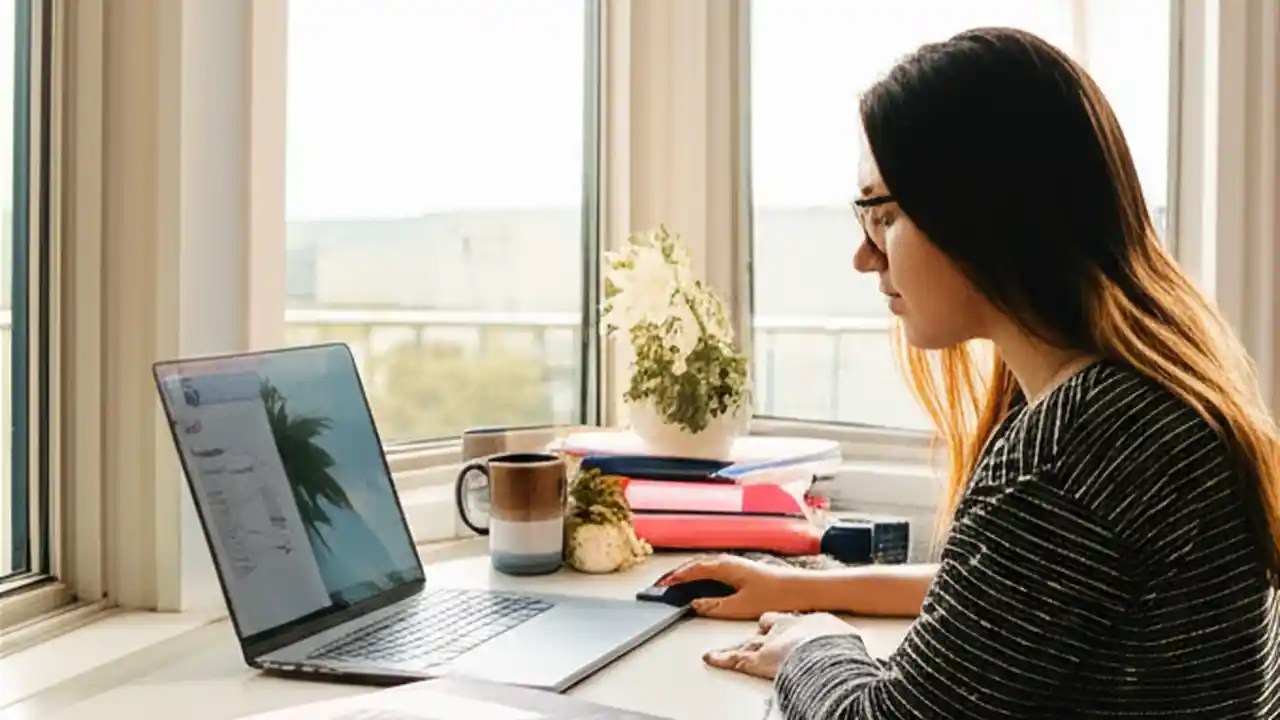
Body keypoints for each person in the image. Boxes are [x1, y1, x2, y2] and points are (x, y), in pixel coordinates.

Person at [657, 27, 1280, 718]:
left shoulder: (1072, 450)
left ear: (983, 214)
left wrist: (814, 645)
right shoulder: (1133, 406)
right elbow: (1007, 597)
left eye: (883, 215)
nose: (865, 258)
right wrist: (797, 587)